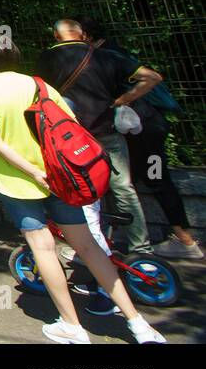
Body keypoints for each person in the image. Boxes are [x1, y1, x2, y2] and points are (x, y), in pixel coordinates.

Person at [0, 33, 166, 344]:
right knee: (88, 246)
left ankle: (71, 325)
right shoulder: (39, 85)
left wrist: (33, 171)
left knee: (43, 249)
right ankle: (139, 324)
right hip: (61, 176)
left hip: (17, 181)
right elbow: (70, 125)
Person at [74, 17, 201, 260]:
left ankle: (183, 241)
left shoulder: (106, 55)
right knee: (134, 179)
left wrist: (121, 101)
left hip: (140, 126)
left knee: (147, 179)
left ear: (86, 35)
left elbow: (152, 78)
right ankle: (164, 238)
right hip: (144, 125)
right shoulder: (112, 51)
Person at [36, 20, 161, 256]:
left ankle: (88, 247)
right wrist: (123, 100)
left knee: (81, 191)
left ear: (55, 35)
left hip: (72, 139)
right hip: (107, 132)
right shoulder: (106, 56)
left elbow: (42, 96)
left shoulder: (47, 59)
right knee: (124, 188)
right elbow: (152, 77)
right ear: (83, 34)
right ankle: (141, 248)